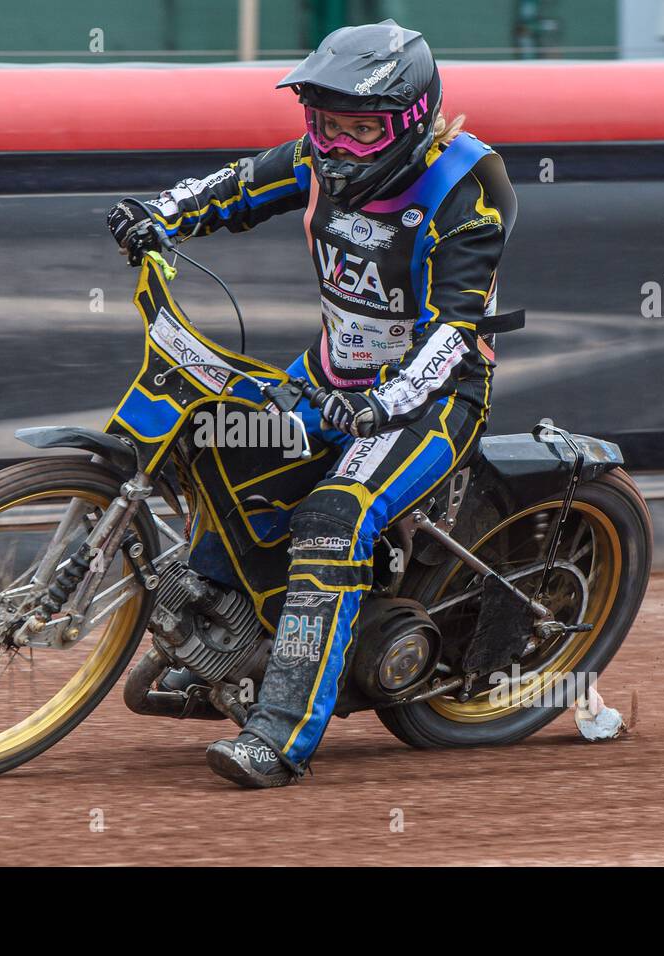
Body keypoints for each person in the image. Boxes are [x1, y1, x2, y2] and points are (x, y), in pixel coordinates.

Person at [106, 19, 517, 788]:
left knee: (334, 516)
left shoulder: (467, 190)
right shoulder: (317, 159)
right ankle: (227, 642)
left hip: (432, 399)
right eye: (325, 123)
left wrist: (386, 400)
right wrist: (159, 213)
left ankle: (281, 735)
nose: (337, 144)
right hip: (329, 377)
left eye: (361, 128)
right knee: (218, 441)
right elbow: (231, 187)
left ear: (408, 121)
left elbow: (458, 331)